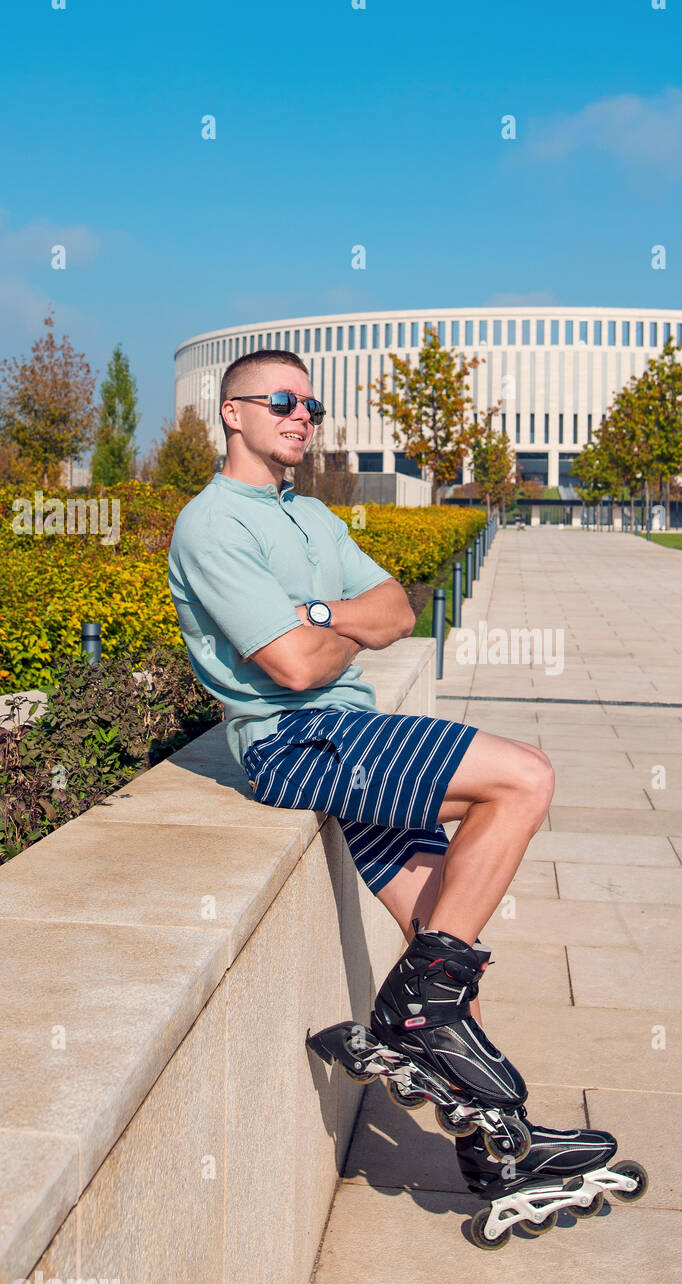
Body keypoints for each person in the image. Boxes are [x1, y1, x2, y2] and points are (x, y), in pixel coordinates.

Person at [167, 349, 616, 1184]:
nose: (302, 415)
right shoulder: (214, 523)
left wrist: (313, 617)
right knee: (524, 777)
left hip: (346, 733)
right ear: (232, 413)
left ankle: (496, 1146)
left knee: (443, 930)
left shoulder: (307, 517)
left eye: (311, 405)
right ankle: (410, 1015)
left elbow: (398, 611)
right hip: (294, 744)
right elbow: (295, 672)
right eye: (282, 401)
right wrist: (337, 632)